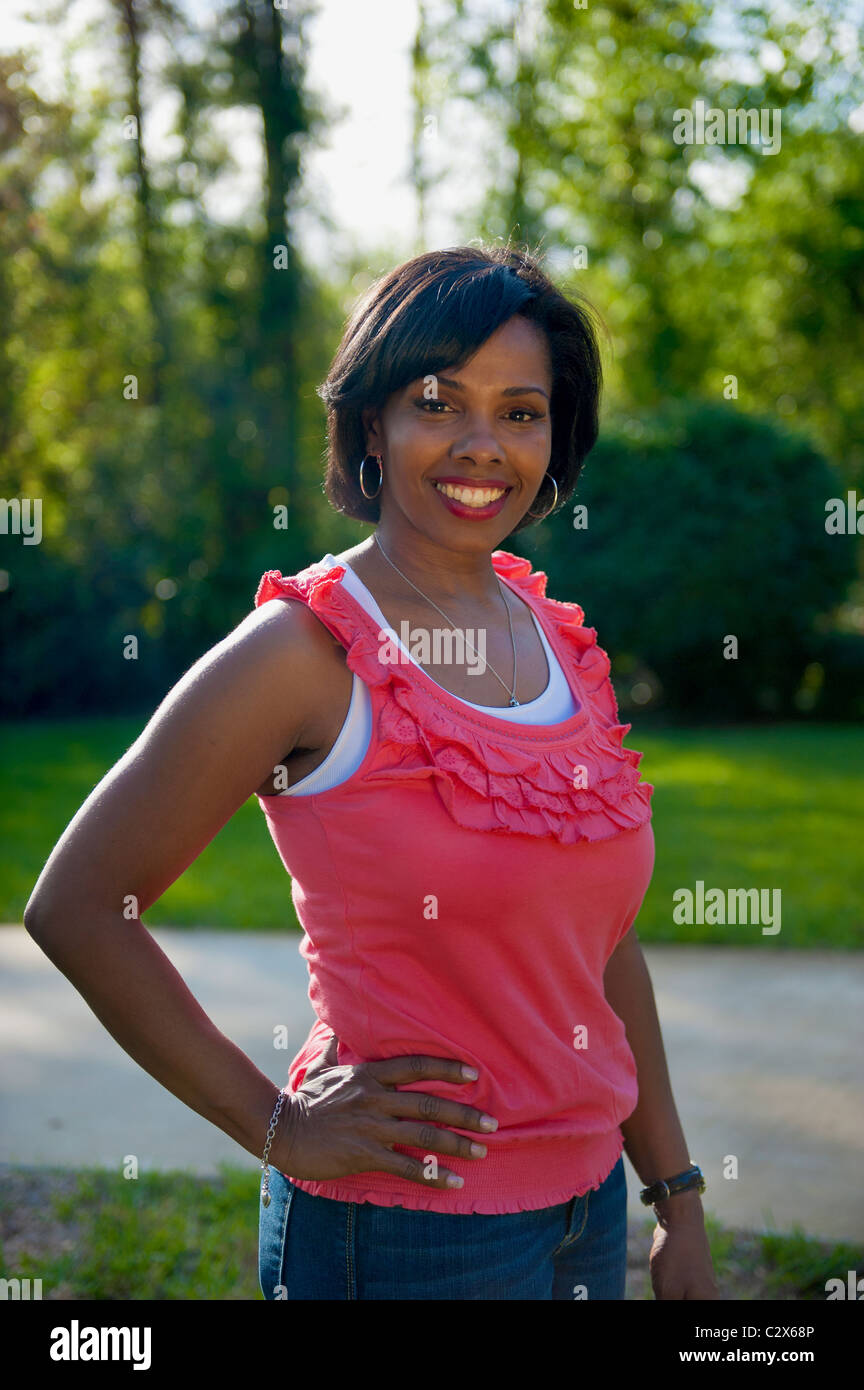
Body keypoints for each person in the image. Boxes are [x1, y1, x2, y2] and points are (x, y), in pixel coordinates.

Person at [24, 242, 719, 1302]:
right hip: (406, 1234)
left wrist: (672, 1192)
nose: (482, 445)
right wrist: (280, 1126)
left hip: (586, 1216)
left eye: (521, 411)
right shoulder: (299, 653)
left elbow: (604, 946)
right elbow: (78, 906)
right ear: (371, 427)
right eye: (438, 402)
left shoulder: (557, 638)